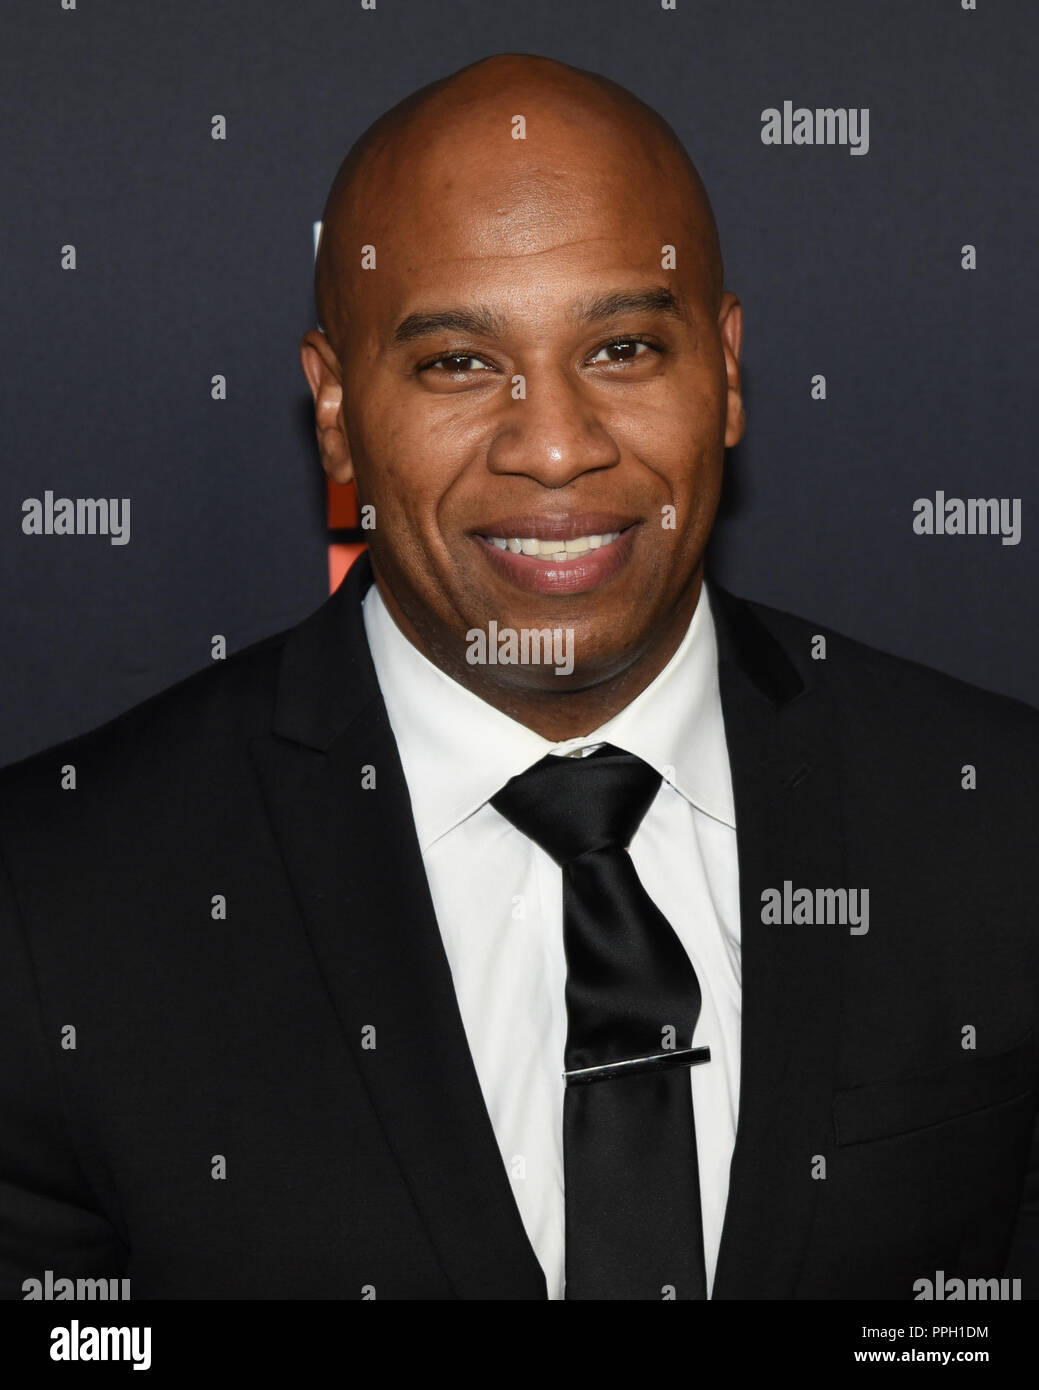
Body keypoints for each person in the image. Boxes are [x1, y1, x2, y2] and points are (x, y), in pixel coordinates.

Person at [1, 52, 1037, 1302]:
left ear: (723, 371)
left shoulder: (996, 821)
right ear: (333, 412)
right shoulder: (52, 901)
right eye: (455, 363)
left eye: (620, 349)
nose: (553, 446)